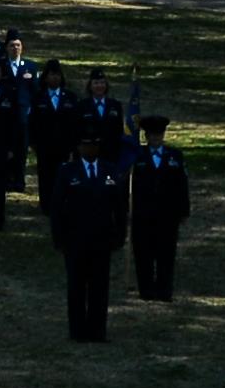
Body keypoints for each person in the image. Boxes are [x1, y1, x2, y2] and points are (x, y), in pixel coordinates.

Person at [46, 131, 128, 343]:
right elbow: (56, 207)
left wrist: (119, 235)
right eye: (85, 145)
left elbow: (119, 207)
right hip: (75, 239)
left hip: (102, 239)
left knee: (99, 287)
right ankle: (77, 331)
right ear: (79, 148)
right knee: (76, 287)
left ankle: (97, 331)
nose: (89, 149)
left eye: (93, 145)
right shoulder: (67, 171)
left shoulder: (110, 171)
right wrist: (59, 238)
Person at [128, 112, 191, 299]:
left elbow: (182, 185)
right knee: (143, 253)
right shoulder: (136, 157)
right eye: (152, 134)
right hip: (143, 213)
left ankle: (164, 290)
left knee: (166, 253)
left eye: (159, 134)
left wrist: (184, 210)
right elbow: (128, 186)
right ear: (146, 136)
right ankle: (146, 290)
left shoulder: (175, 156)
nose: (156, 138)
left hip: (167, 213)